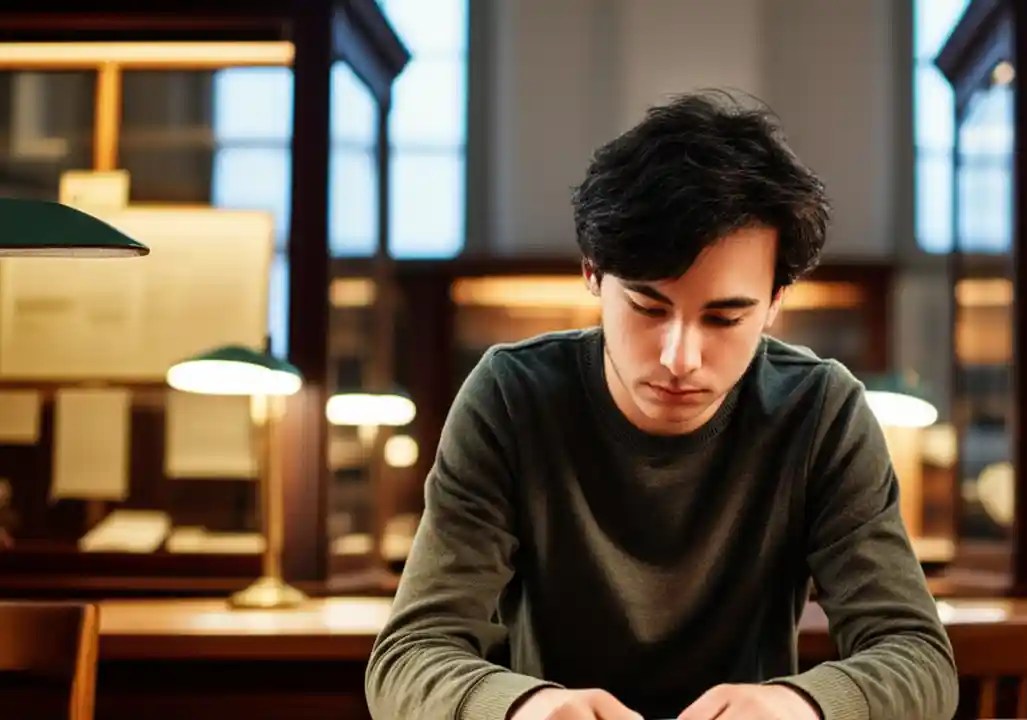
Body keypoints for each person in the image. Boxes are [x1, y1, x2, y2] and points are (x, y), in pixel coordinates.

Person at [365, 90, 958, 720]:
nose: (680, 357)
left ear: (776, 299)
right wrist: (529, 710)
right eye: (649, 308)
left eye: (726, 317)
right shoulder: (511, 397)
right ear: (593, 273)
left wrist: (799, 707)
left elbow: (918, 656)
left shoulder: (821, 411)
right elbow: (410, 656)